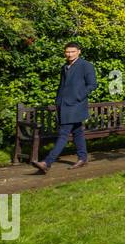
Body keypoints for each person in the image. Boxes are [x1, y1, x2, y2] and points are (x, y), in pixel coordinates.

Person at [31, 42, 98, 174]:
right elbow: (62, 86)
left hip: (76, 105)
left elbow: (92, 85)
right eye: (67, 52)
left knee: (63, 134)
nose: (69, 54)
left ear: (79, 52)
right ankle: (83, 158)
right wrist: (58, 101)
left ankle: (47, 162)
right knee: (78, 131)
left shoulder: (86, 66)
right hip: (63, 105)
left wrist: (78, 96)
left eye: (72, 51)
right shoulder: (65, 67)